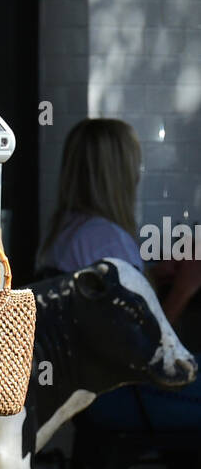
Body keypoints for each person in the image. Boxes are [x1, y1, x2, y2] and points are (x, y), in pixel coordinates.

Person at [37, 116, 201, 433]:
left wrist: (150, 276)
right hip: (123, 399)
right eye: (134, 164)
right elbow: (147, 353)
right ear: (119, 173)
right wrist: (185, 287)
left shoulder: (71, 231)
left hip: (86, 403)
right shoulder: (108, 238)